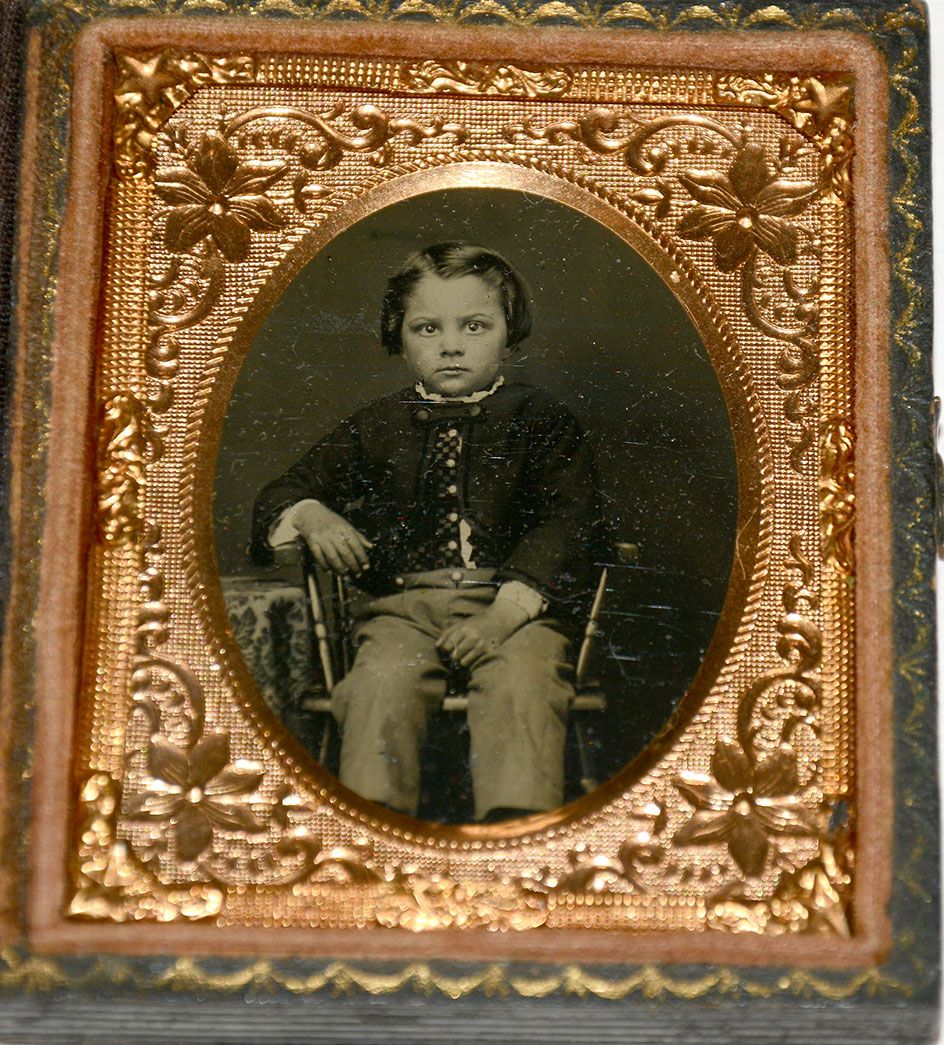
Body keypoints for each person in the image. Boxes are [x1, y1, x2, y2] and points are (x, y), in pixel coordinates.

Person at [250, 242, 602, 823]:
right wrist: (313, 515)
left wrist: (502, 617)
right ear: (399, 337)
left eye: (474, 325)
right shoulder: (376, 424)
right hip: (402, 612)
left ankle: (515, 825)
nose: (452, 344)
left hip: (516, 613)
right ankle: (372, 822)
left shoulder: (541, 420)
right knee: (377, 686)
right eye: (427, 328)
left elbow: (569, 522)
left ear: (509, 332)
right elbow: (282, 493)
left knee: (524, 684)